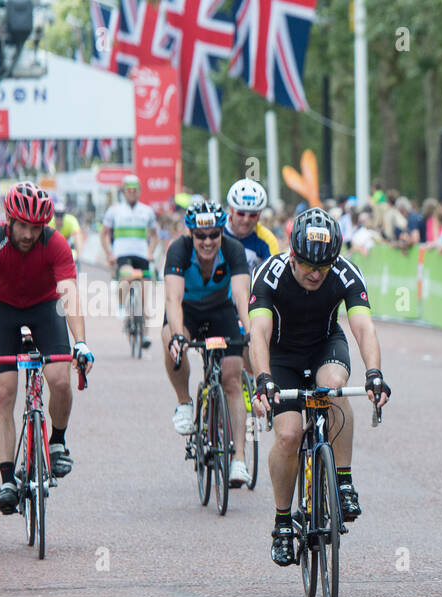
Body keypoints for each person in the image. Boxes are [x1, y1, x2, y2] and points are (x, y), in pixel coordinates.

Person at [248, 208, 389, 565]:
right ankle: (282, 523)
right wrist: (263, 378)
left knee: (333, 388)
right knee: (288, 435)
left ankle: (343, 481)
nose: (315, 273)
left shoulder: (344, 271)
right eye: (308, 265)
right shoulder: (269, 274)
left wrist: (374, 373)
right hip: (281, 356)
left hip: (325, 345)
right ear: (292, 255)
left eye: (322, 267)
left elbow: (363, 327)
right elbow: (259, 333)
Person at [0, 183, 94, 513]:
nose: (28, 234)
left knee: (60, 379)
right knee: (4, 391)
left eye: (35, 227)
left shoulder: (55, 244)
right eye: (22, 225)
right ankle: (8, 479)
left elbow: (69, 292)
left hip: (44, 307)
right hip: (3, 309)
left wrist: (80, 342)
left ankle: (56, 443)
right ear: (8, 219)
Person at [162, 200, 254, 489]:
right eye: (200, 235)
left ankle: (239, 458)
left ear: (221, 232)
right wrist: (179, 335)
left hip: (220, 312)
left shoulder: (232, 249)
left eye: (214, 234)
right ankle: (184, 403)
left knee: (232, 379)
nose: (207, 241)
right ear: (191, 233)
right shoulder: (179, 249)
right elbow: (173, 300)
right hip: (186, 311)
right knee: (170, 340)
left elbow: (241, 296)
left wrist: (249, 331)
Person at [100, 174, 158, 347]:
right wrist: (109, 253)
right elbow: (103, 234)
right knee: (125, 280)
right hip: (122, 254)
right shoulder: (114, 210)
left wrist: (151, 252)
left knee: (145, 295)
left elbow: (155, 236)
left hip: (141, 255)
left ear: (139, 192)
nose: (132, 193)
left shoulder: (147, 211)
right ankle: (121, 307)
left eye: (135, 190)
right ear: (124, 192)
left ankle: (145, 334)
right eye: (129, 190)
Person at [224, 178, 279, 275]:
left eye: (253, 215)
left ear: (259, 214)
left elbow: (274, 278)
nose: (246, 220)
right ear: (231, 210)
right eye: (241, 213)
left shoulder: (267, 239)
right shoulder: (217, 232)